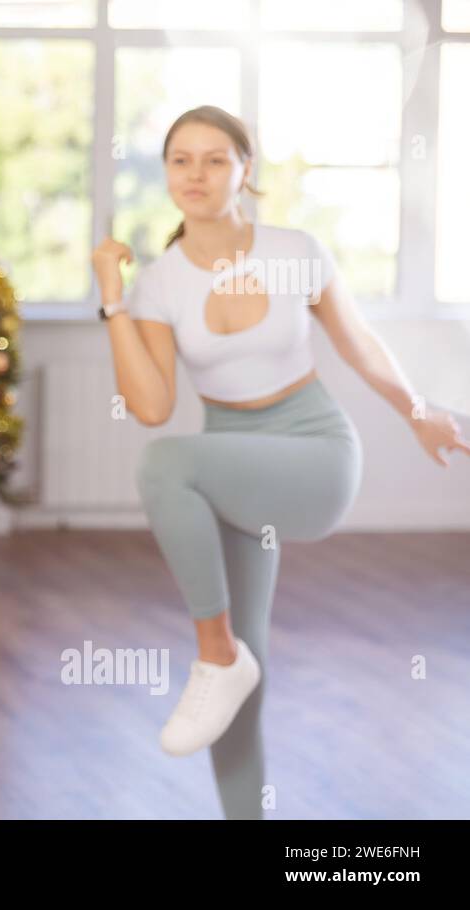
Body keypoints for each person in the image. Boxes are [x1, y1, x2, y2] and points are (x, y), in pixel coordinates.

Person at [92, 105, 470, 819]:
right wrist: (114, 299)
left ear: (245, 169)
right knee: (245, 670)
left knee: (165, 467)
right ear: (166, 172)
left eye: (214, 159)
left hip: (314, 454)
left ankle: (215, 654)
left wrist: (421, 414)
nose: (196, 174)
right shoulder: (162, 283)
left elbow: (359, 343)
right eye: (180, 160)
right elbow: (150, 405)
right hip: (230, 471)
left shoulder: (294, 250)